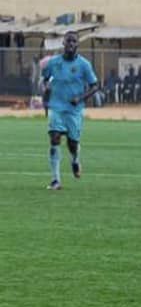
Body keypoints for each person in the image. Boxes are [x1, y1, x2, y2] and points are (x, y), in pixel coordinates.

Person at [41, 31, 100, 190]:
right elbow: (44, 79)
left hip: (74, 110)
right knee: (54, 138)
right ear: (63, 43)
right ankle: (55, 180)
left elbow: (95, 86)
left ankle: (75, 160)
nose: (71, 44)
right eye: (68, 41)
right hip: (56, 108)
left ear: (77, 44)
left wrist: (80, 98)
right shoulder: (53, 62)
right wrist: (45, 88)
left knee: (72, 143)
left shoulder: (84, 65)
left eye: (74, 41)